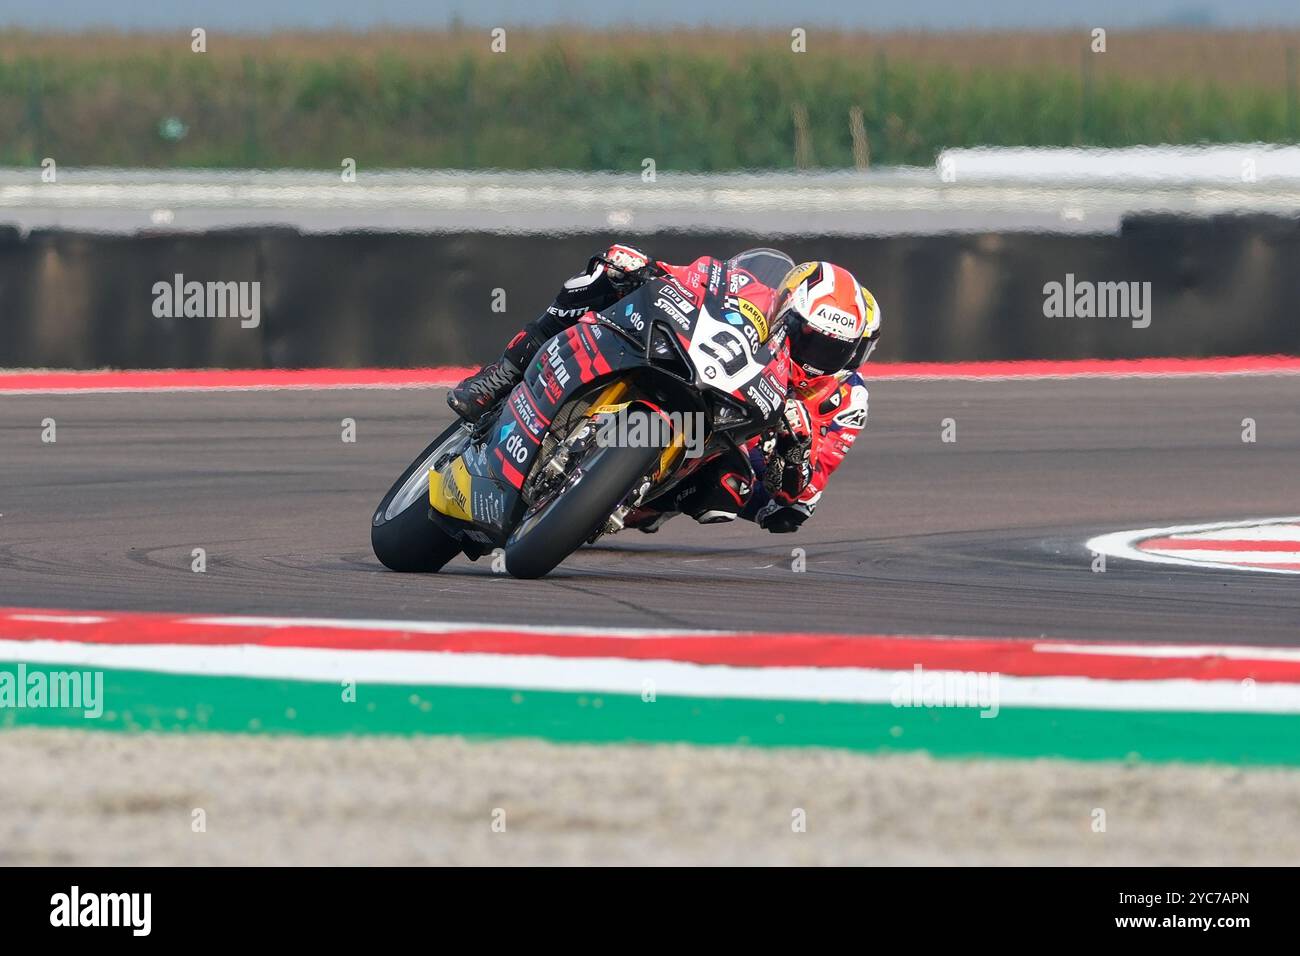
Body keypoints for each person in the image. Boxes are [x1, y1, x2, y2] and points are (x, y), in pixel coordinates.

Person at [447, 245, 881, 533]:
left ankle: (627, 493)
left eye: (832, 351)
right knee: (608, 269)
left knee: (730, 490)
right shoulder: (757, 292)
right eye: (807, 337)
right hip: (694, 369)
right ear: (787, 311)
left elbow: (793, 508)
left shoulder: (845, 402)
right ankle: (507, 370)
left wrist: (795, 449)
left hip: (726, 442)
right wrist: (644, 268)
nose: (814, 357)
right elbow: (695, 280)